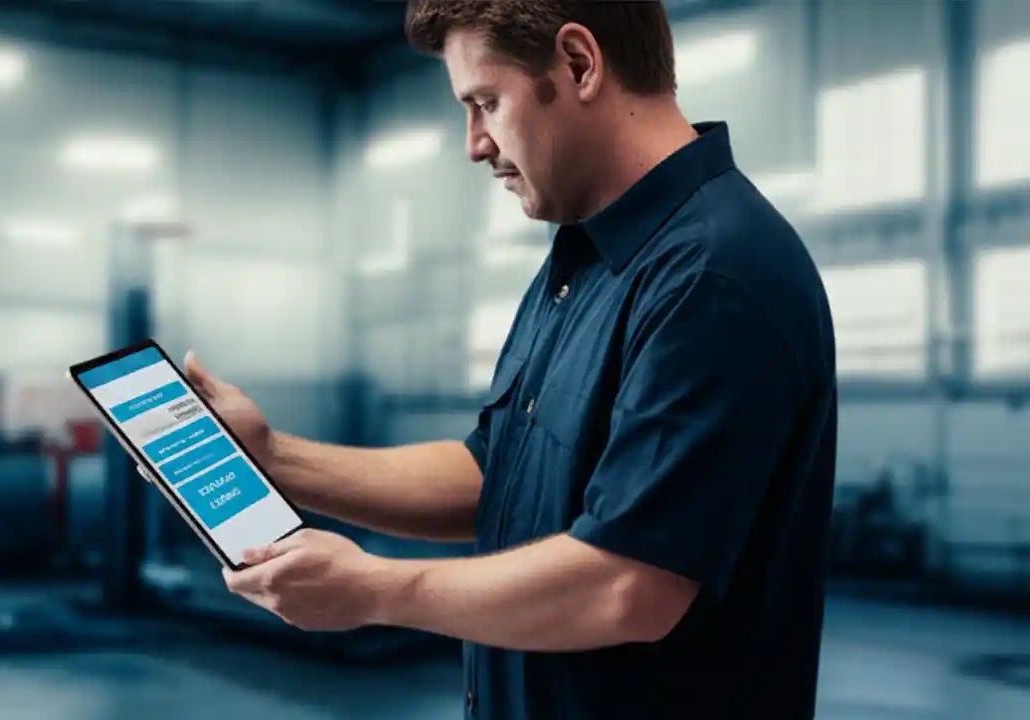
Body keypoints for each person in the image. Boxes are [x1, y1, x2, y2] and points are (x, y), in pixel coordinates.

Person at [181, 1, 837, 717]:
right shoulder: (586, 259)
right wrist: (271, 458)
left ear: (580, 64)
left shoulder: (716, 275)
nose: (474, 144)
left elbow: (629, 586)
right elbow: (495, 473)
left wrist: (375, 590)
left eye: (486, 103)